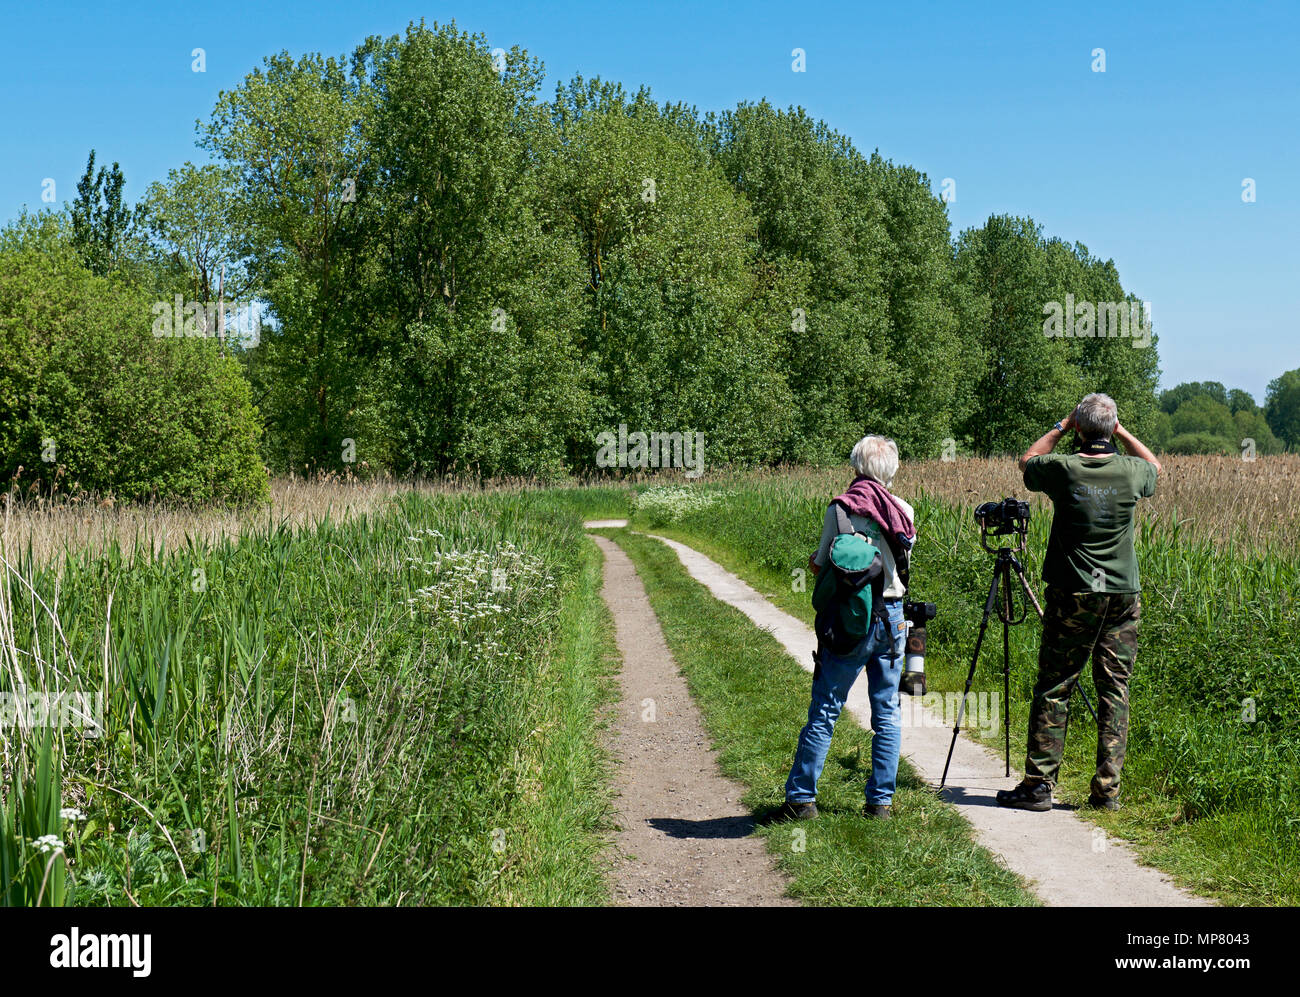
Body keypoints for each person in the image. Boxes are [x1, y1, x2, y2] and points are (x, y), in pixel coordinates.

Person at [997, 393, 1160, 812]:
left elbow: (1027, 460)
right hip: (1123, 593)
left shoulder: (1064, 469)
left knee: (1055, 685)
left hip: (1074, 591)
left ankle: (1038, 787)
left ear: (1080, 429)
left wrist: (1061, 425)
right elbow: (1156, 466)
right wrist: (1119, 430)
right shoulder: (1131, 472)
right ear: (1111, 430)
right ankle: (1107, 791)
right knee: (1115, 688)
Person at [778, 435, 915, 821]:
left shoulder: (840, 510)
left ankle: (802, 799)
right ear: (890, 470)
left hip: (849, 620)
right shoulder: (903, 510)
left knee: (825, 708)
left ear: (856, 467)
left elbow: (823, 564)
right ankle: (880, 803)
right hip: (891, 617)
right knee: (887, 711)